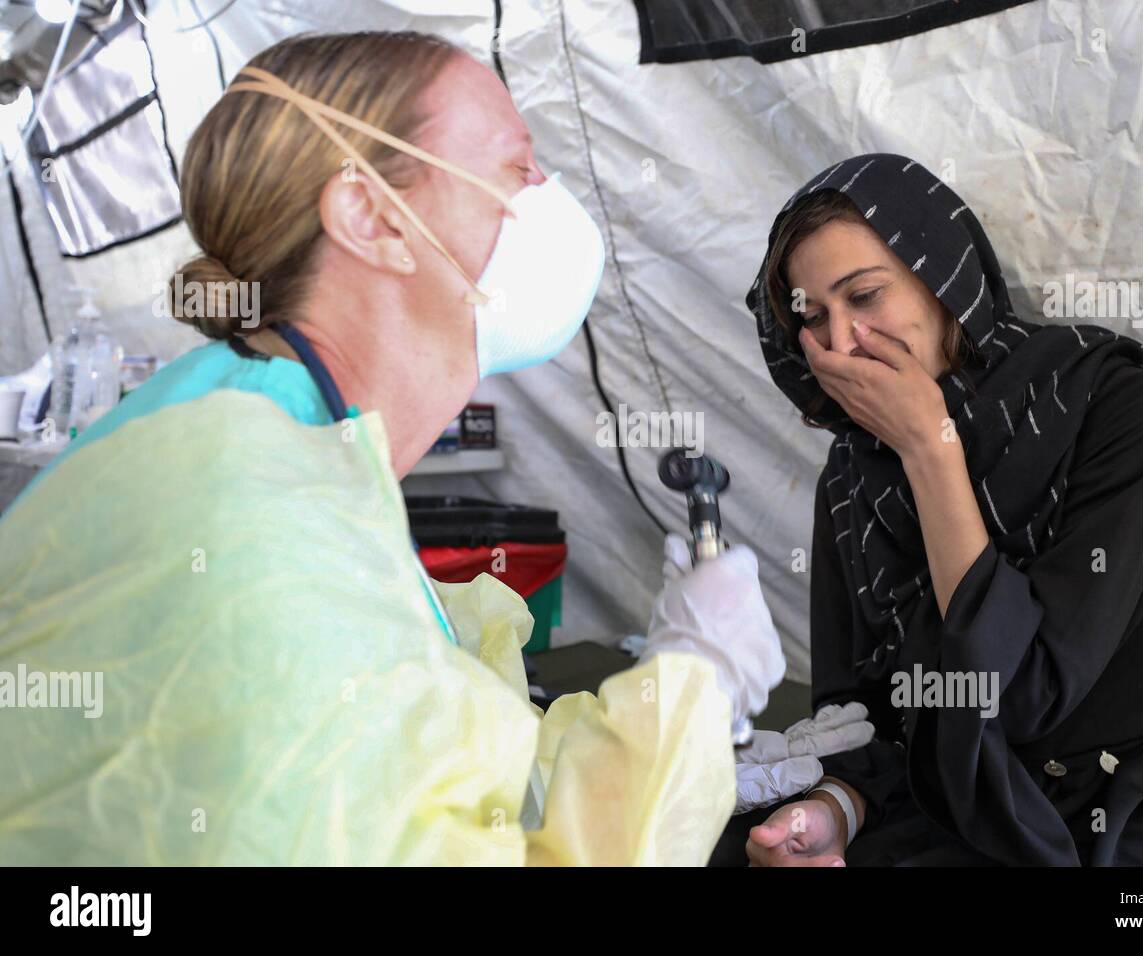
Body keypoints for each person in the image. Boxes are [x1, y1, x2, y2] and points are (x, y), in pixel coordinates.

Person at [0, 31, 784, 866]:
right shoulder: (251, 523)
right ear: (372, 217)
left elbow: (431, 776)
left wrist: (665, 694)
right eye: (517, 168)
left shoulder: (270, 430)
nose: (547, 198)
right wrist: (693, 689)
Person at [737, 154, 1143, 866]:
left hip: (1132, 824)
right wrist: (835, 808)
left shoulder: (1119, 408)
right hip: (950, 812)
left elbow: (1025, 693)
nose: (840, 346)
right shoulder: (855, 471)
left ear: (944, 280)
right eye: (814, 317)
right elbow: (864, 714)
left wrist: (931, 450)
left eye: (864, 296)